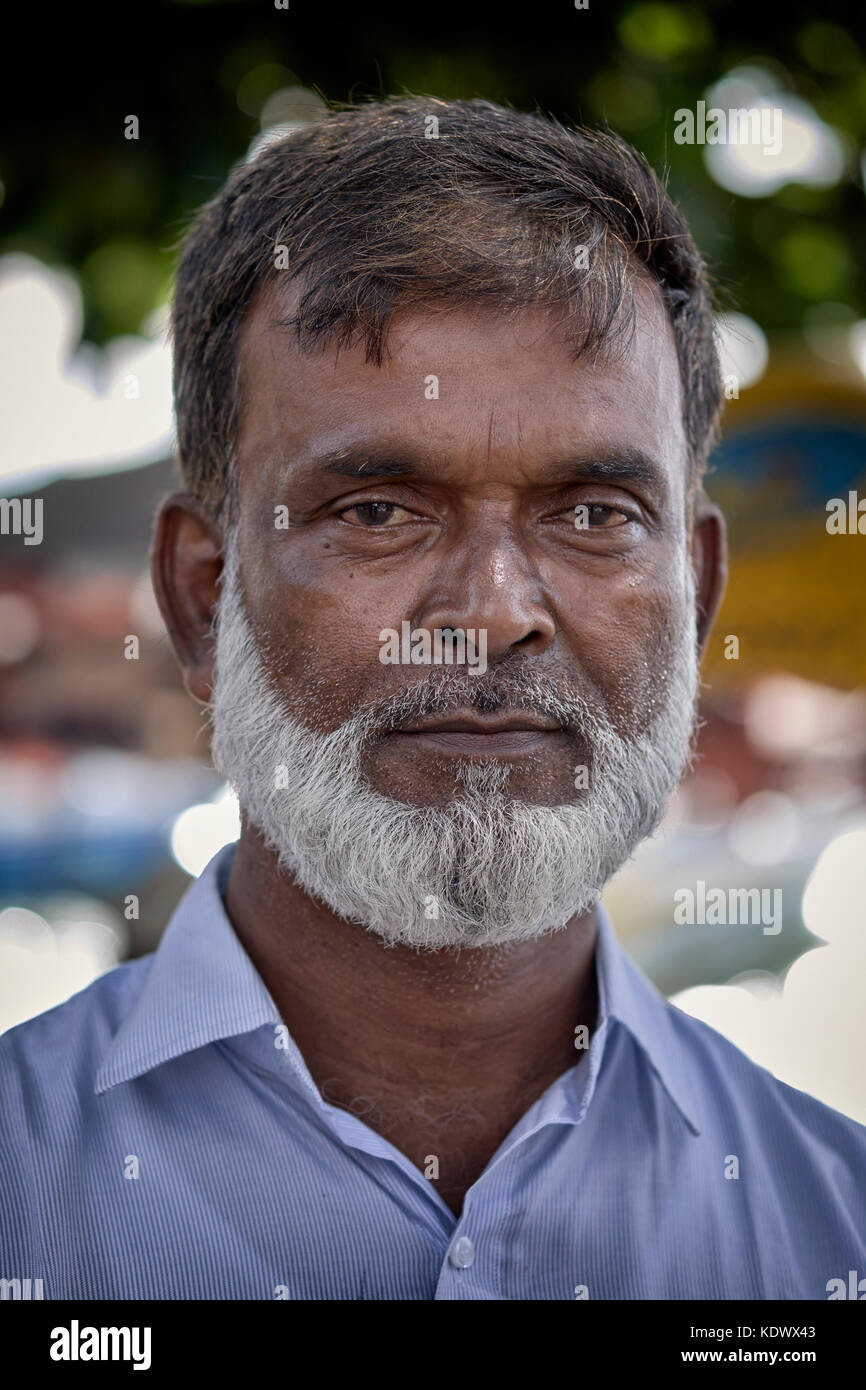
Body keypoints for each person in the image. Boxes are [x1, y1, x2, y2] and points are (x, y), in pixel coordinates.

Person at [2, 96, 863, 1301]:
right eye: (376, 511)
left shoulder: (834, 1233)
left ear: (697, 594)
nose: (494, 609)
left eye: (593, 515)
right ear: (203, 597)